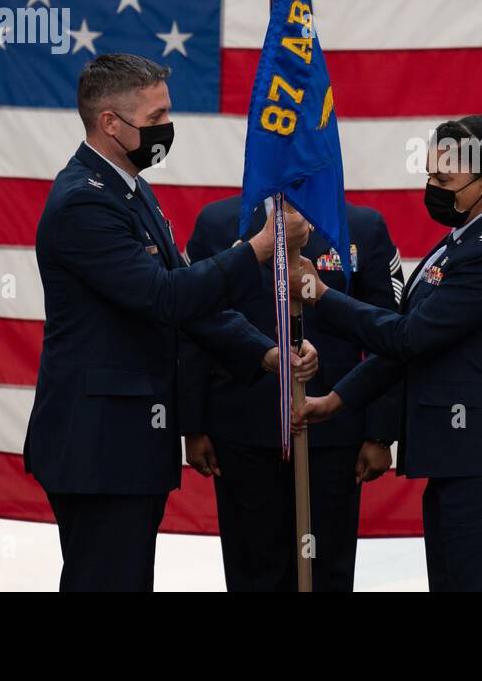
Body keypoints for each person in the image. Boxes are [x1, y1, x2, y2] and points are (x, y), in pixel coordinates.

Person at [24, 53, 317, 592]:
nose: (167, 128)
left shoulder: (130, 190)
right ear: (110, 122)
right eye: (155, 118)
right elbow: (163, 296)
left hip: (128, 444)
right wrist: (256, 248)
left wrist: (264, 353)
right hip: (99, 445)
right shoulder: (82, 204)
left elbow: (190, 301)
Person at [292, 114, 482, 592]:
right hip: (463, 460)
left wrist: (320, 294)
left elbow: (408, 337)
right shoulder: (463, 239)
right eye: (430, 175)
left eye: (446, 179)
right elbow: (415, 349)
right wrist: (336, 401)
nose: (433, 187)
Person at [180, 195, 404, 591]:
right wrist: (193, 426)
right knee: (253, 570)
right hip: (242, 432)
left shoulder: (363, 226)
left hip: (334, 436)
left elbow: (389, 334)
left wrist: (380, 433)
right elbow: (195, 326)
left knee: (326, 568)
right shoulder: (218, 223)